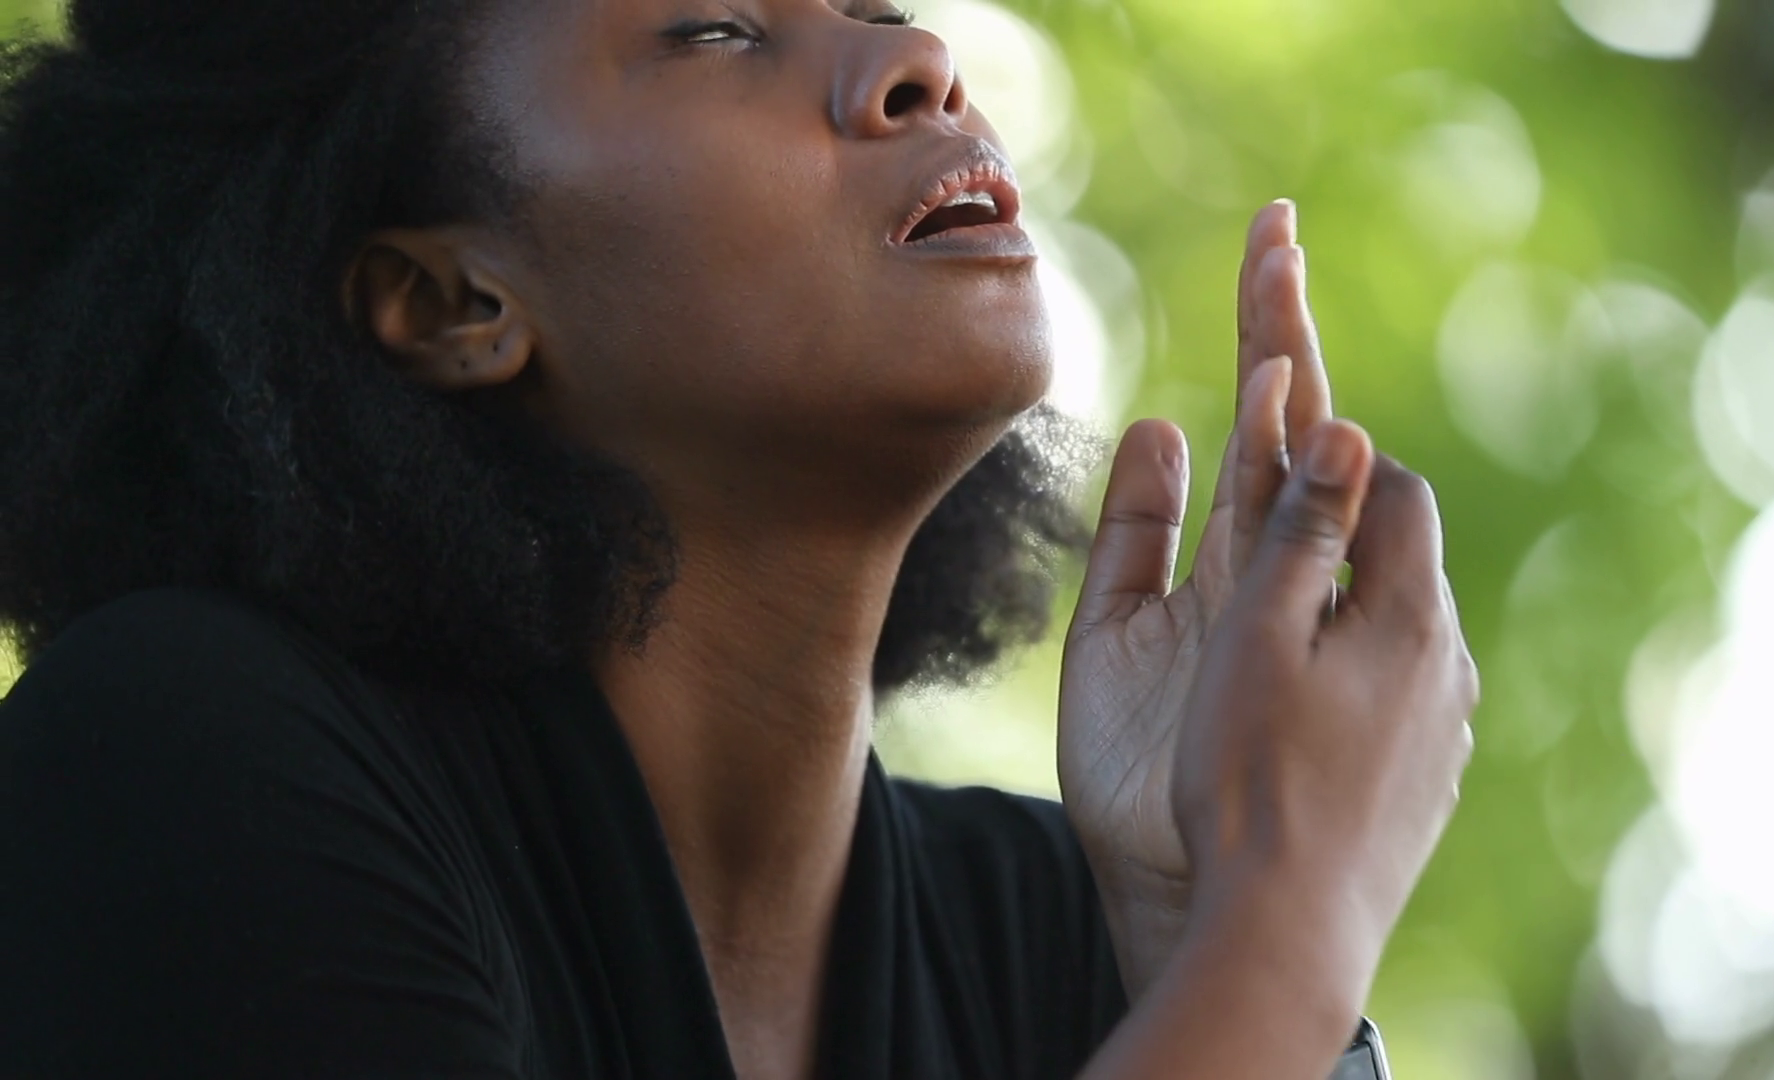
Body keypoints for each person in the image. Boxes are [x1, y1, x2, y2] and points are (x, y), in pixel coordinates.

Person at [0, 1, 1478, 1077]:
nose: (918, 65)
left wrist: (1187, 924)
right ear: (451, 303)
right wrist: (1287, 926)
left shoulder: (1057, 925)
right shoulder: (173, 759)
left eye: (879, 8)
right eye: (715, 30)